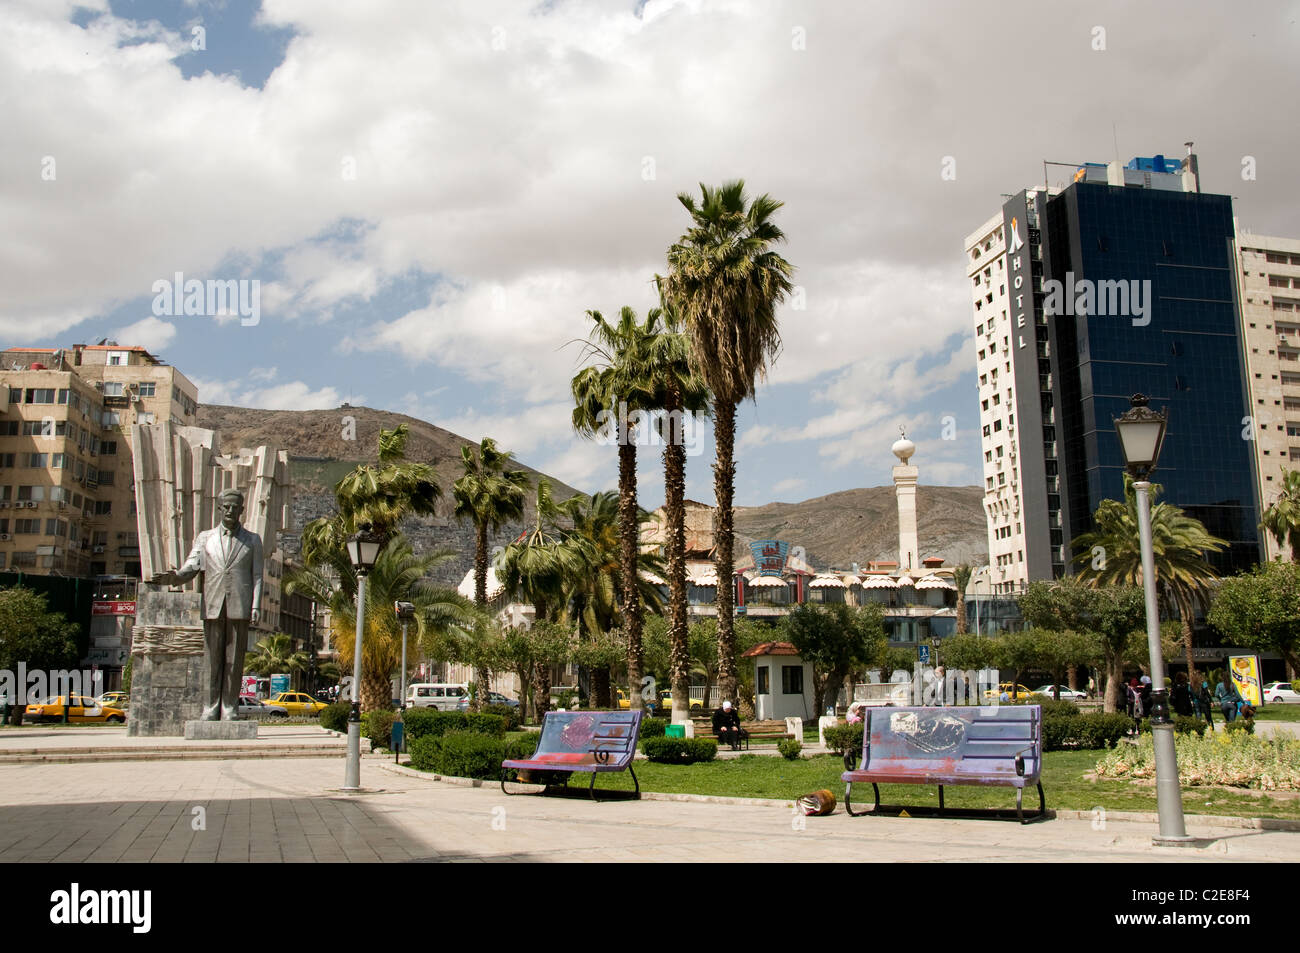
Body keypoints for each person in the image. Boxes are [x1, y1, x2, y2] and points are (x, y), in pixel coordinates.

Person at [149, 488, 264, 722]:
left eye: (235, 506)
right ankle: (210, 707)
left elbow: (258, 575)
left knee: (234, 660)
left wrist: (256, 605)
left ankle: (230, 707)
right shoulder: (205, 538)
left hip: (240, 605)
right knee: (212, 660)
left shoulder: (252, 540)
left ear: (242, 510)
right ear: (219, 508)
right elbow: (191, 567)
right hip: (212, 604)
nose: (231, 510)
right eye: (226, 506)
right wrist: (173, 577)